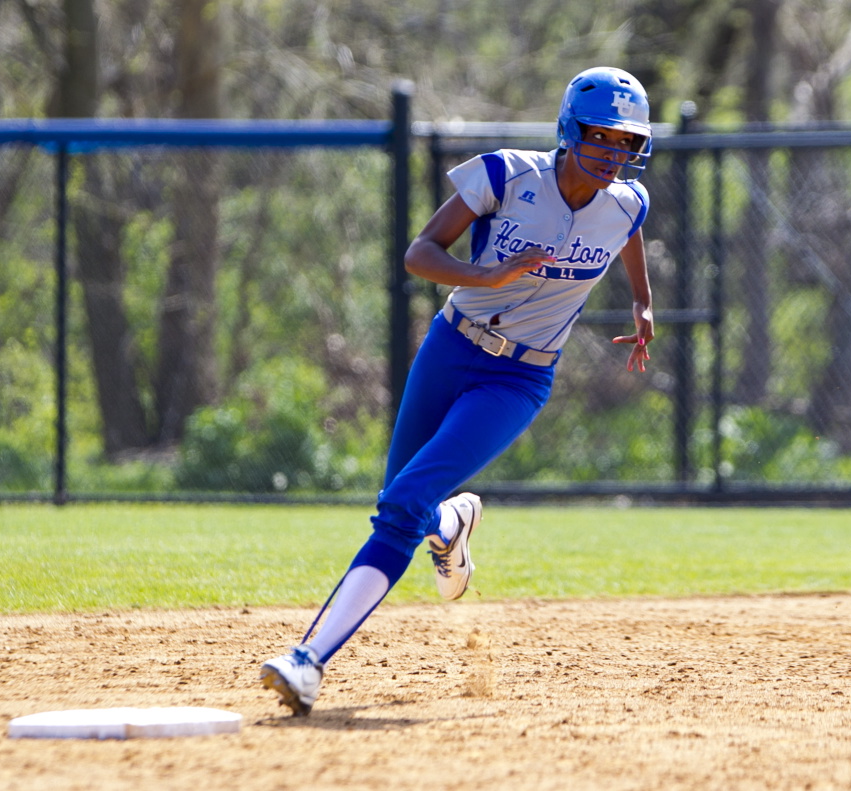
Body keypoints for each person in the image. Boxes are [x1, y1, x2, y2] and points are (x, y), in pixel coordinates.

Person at [259, 66, 656, 716]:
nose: (613, 152)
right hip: (450, 346)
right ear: (568, 129)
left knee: (401, 504)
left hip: (518, 376)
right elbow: (419, 253)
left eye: (626, 141)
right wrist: (487, 274)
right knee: (402, 503)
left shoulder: (627, 201)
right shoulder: (507, 175)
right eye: (600, 136)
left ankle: (307, 661)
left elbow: (629, 233)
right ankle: (451, 522)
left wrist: (642, 303)